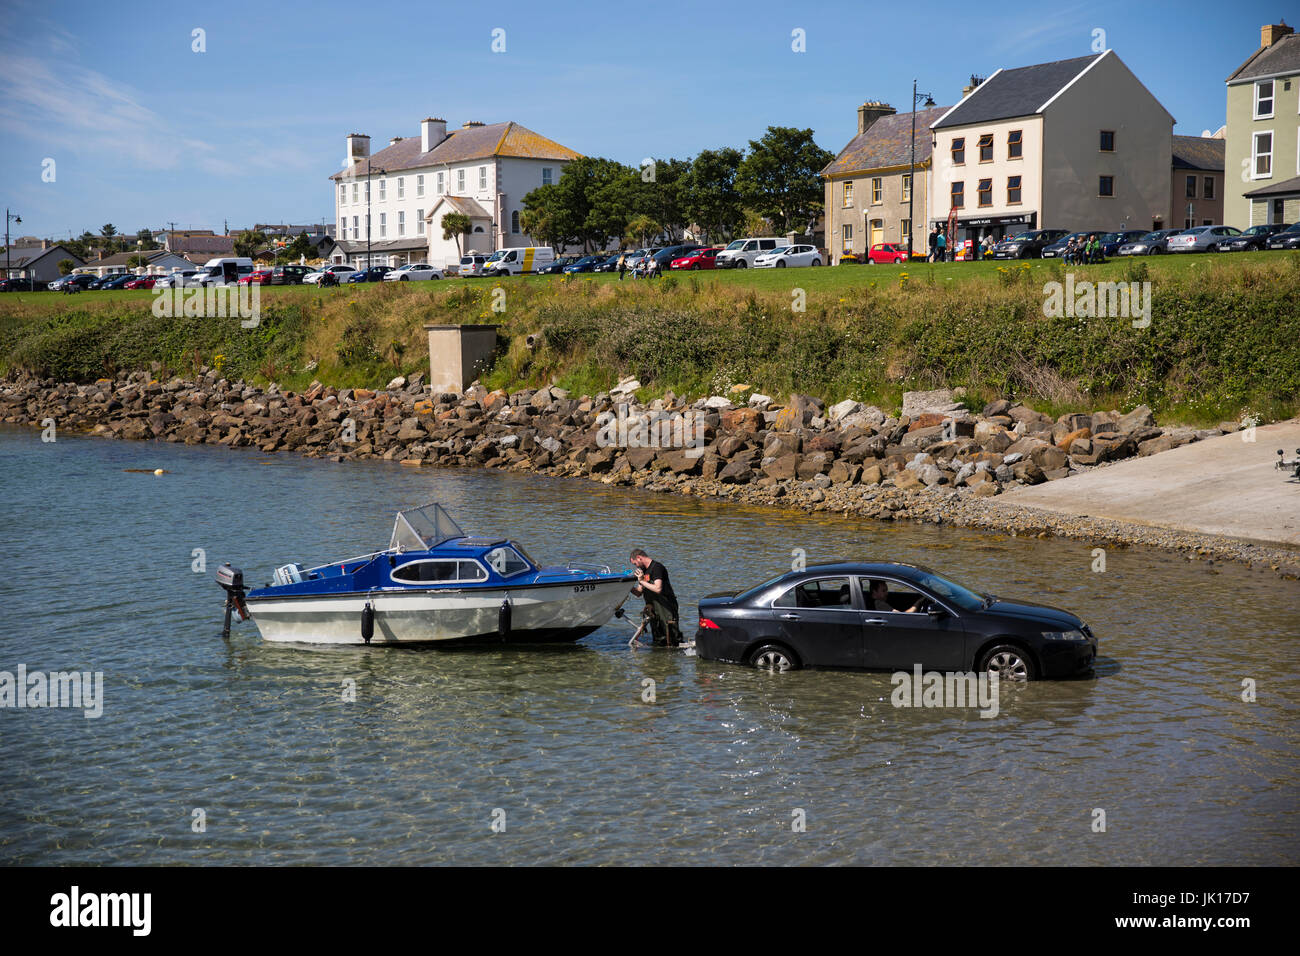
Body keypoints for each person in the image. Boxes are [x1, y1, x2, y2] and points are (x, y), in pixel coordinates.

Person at [630, 548, 681, 646]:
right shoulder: (643, 571)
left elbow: (658, 589)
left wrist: (641, 581)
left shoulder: (657, 567)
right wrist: (626, 587)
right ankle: (657, 659)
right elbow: (638, 593)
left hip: (666, 608)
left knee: (671, 639)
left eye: (635, 563)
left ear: (639, 558)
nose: (635, 566)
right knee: (658, 639)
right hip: (654, 611)